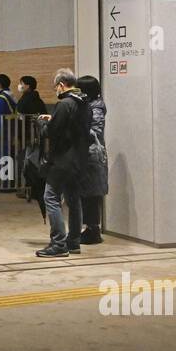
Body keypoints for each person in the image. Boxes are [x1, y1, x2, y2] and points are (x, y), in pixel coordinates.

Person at [35, 69, 92, 257]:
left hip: (62, 161)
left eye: (55, 87)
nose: (55, 91)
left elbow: (52, 132)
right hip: (80, 160)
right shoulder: (85, 103)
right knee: (74, 200)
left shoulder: (64, 104)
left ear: (61, 85)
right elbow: (73, 127)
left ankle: (58, 243)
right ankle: (74, 242)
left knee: (50, 197)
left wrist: (43, 124)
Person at [76, 75, 108, 245]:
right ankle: (89, 228)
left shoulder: (96, 109)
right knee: (86, 193)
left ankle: (93, 229)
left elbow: (95, 130)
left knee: (91, 194)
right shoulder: (90, 106)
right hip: (87, 154)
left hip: (92, 156)